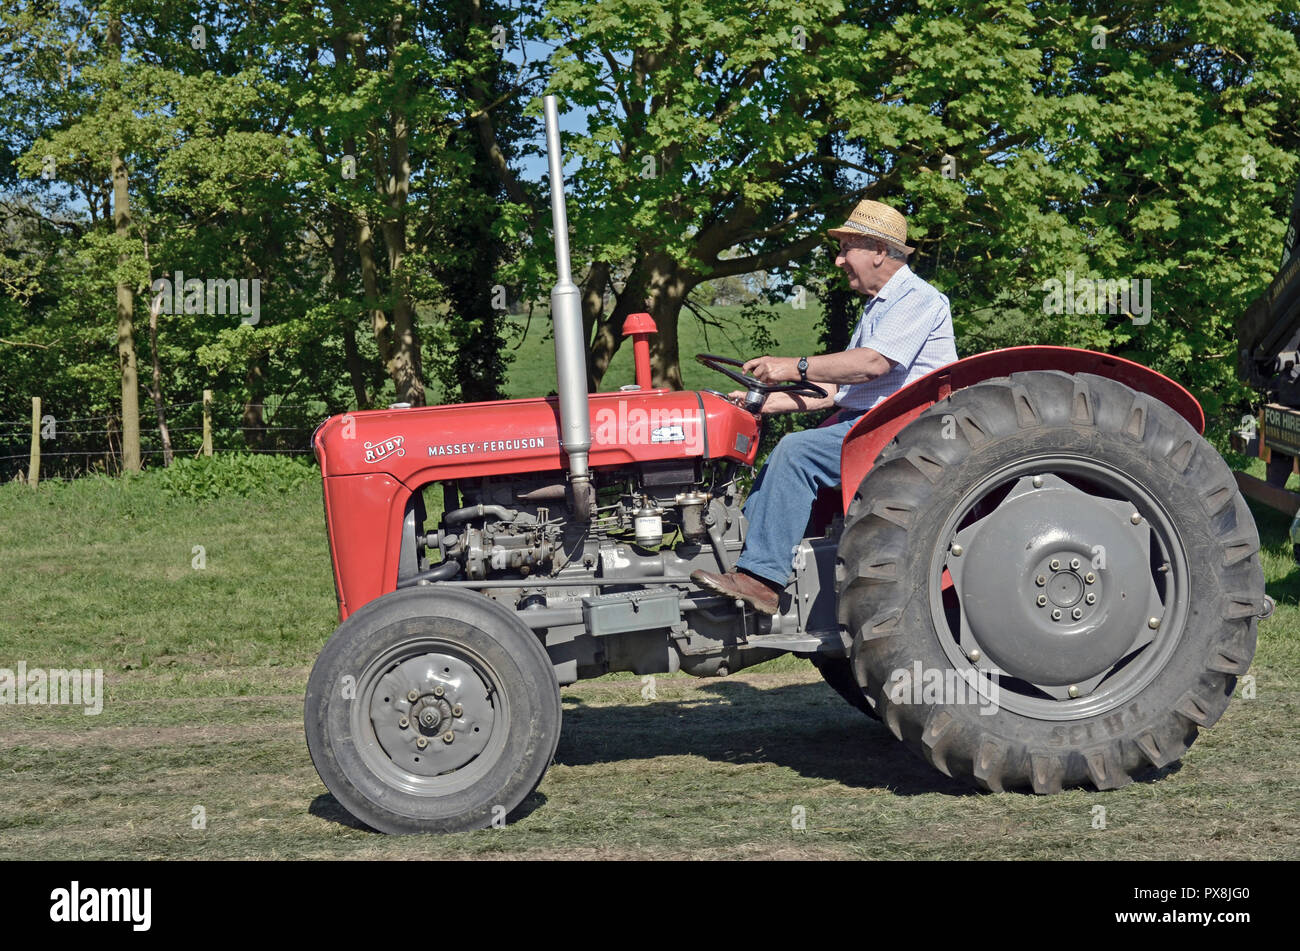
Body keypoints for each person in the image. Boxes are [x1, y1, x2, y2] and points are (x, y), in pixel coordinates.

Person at [691, 199, 958, 614]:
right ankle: (742, 557)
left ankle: (761, 580)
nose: (838, 260)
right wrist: (763, 402)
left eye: (846, 248)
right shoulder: (880, 307)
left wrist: (791, 365)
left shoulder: (918, 299)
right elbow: (835, 389)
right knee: (784, 456)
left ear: (879, 251)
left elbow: (870, 364)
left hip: (908, 433)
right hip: (868, 422)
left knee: (796, 453)